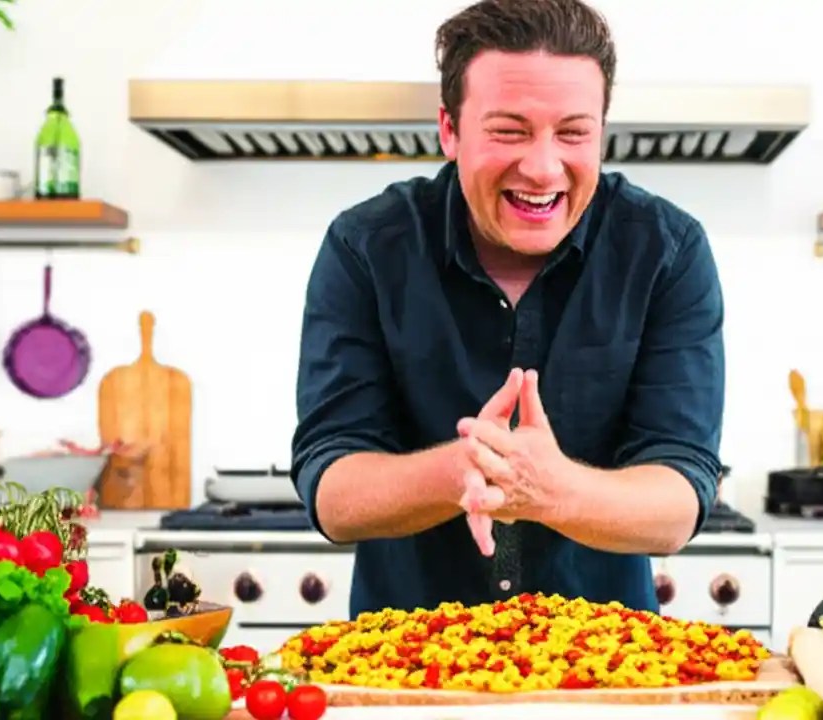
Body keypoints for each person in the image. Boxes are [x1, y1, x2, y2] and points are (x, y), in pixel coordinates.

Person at [290, 0, 725, 618]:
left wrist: (550, 489)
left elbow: (680, 497)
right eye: (509, 131)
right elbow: (331, 490)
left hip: (606, 671)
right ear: (450, 129)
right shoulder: (365, 248)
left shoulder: (667, 251)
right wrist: (462, 470)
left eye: (573, 133)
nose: (544, 167)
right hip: (406, 669)